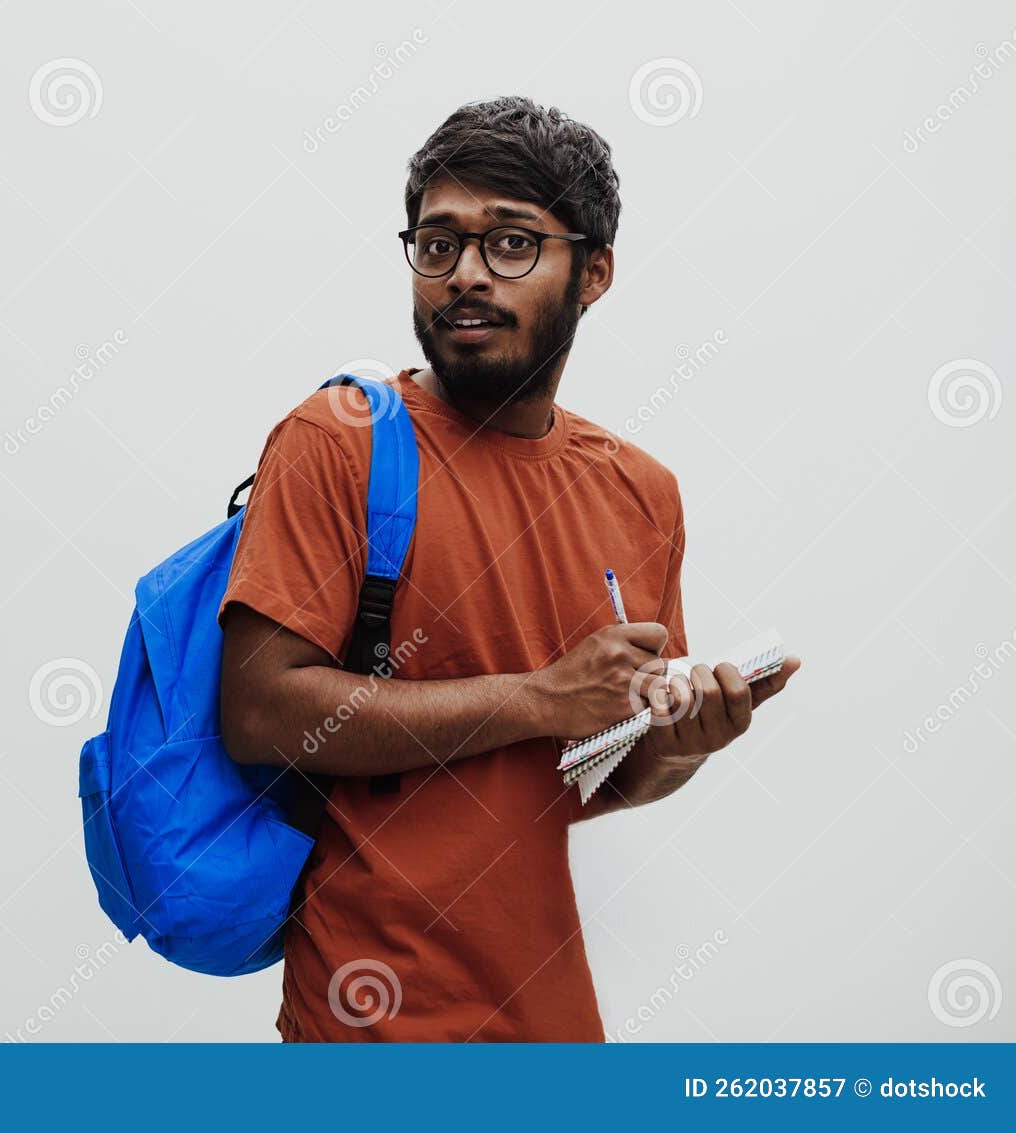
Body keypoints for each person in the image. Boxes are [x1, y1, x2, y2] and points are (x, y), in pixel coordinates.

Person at [216, 95, 801, 1042]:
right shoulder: (340, 443)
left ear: (594, 271)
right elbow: (259, 712)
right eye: (439, 243)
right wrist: (537, 696)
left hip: (554, 1024)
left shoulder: (641, 493)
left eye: (512, 244)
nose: (465, 276)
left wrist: (686, 741)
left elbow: (601, 776)